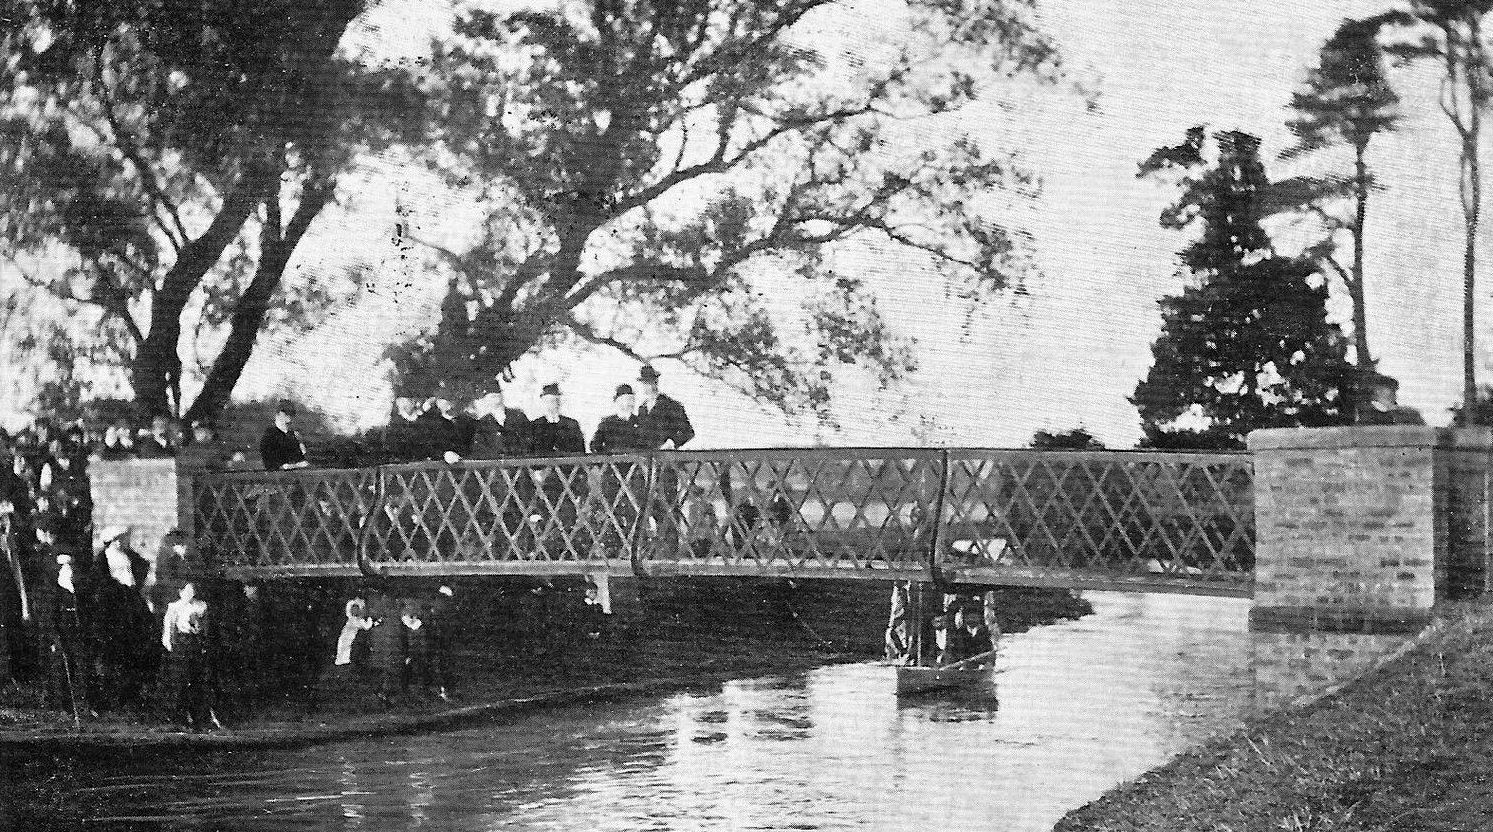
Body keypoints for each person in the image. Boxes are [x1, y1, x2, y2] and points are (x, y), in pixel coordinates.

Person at [591, 385, 650, 558]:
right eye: (625, 400)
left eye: (631, 400)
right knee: (612, 508)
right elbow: (595, 446)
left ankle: (637, 547)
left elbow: (647, 446)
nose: (628, 404)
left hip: (635, 473)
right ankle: (612, 547)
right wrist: (608, 459)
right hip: (613, 474)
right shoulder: (607, 423)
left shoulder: (640, 423)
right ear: (617, 402)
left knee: (635, 508)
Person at [528, 384, 586, 558]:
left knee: (567, 517)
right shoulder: (535, 426)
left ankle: (566, 553)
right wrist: (538, 471)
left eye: (555, 401)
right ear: (542, 402)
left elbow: (580, 453)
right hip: (545, 481)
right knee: (545, 517)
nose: (552, 404)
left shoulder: (571, 424)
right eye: (548, 401)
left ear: (559, 402)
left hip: (568, 480)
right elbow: (530, 453)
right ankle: (545, 554)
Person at [161, 581, 221, 729]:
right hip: (181, 645)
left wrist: (202, 638)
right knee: (181, 681)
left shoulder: (201, 606)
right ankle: (180, 717)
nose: (190, 594)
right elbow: (168, 628)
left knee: (197, 680)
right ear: (180, 592)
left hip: (195, 644)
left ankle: (201, 717)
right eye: (186, 591)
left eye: (192, 591)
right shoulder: (174, 607)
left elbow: (205, 628)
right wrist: (169, 644)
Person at [1357, 373, 1425, 426]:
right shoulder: (1365, 411)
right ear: (1378, 390)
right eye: (1390, 388)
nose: (1393, 392)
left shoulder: (1410, 414)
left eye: (1394, 389)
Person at [260, 401, 310, 471]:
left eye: (290, 415)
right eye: (286, 415)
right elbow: (270, 462)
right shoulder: (270, 434)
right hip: (276, 473)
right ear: (278, 415)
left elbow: (300, 459)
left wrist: (301, 444)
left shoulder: (292, 435)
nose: (289, 418)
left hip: (294, 472)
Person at [334, 597, 375, 669]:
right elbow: (367, 626)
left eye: (356, 609)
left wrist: (370, 620)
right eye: (353, 609)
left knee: (347, 651)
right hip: (344, 638)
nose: (354, 610)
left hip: (350, 639)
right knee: (342, 650)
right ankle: (341, 663)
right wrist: (370, 620)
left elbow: (367, 626)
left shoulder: (359, 620)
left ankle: (344, 664)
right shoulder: (352, 620)